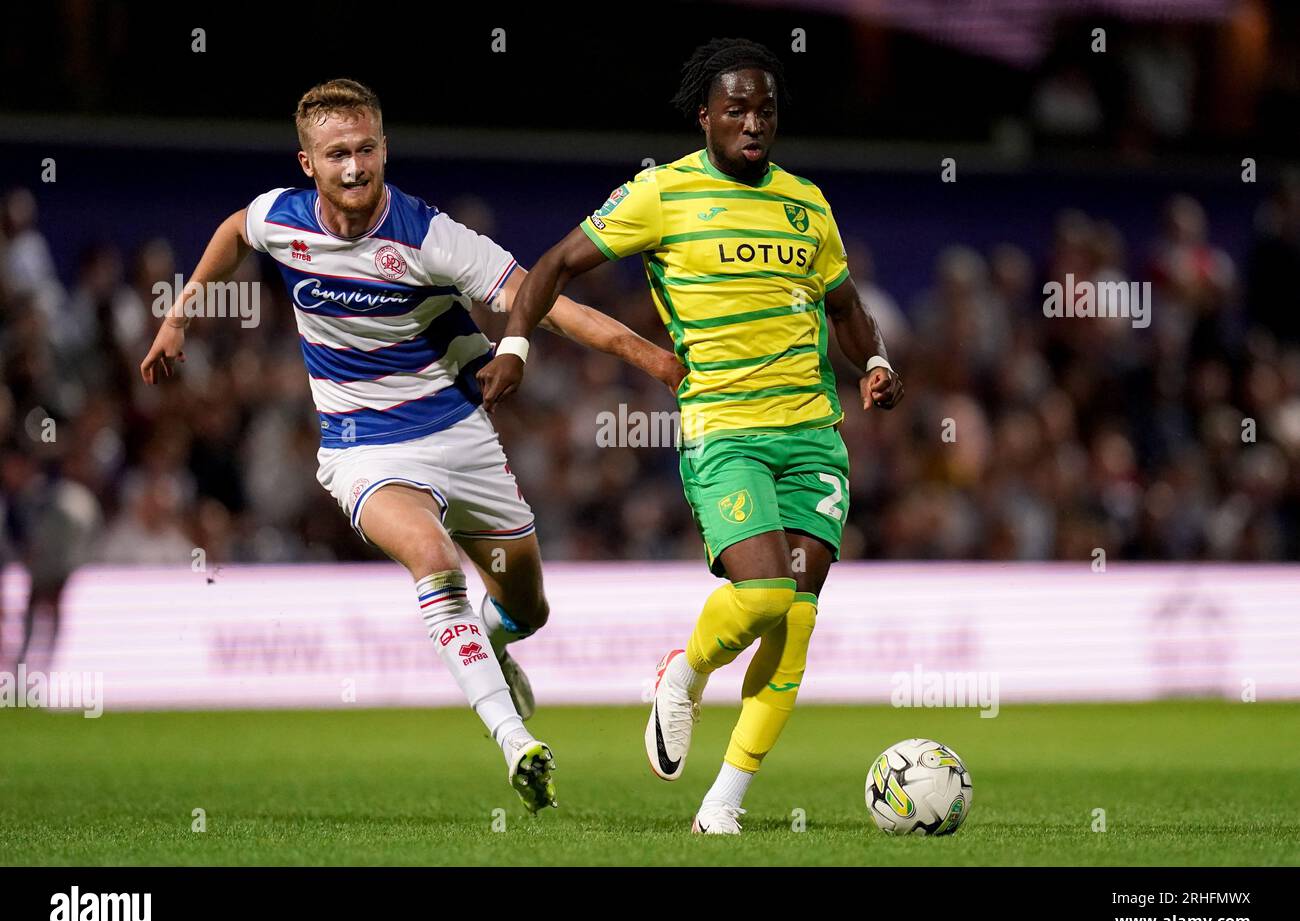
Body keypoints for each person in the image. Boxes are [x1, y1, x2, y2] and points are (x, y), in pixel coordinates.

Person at [140, 78, 683, 814]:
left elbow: (541, 300)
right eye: (337, 155)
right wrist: (179, 317)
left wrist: (653, 361)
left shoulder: (431, 237)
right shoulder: (283, 219)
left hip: (461, 438)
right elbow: (236, 230)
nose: (355, 167)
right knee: (431, 560)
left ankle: (495, 641)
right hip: (363, 449)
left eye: (366, 149)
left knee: (528, 608)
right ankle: (513, 740)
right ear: (309, 164)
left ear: (384, 148)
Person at [478, 39, 904, 833]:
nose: (752, 122)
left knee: (798, 619)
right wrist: (514, 345)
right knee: (766, 594)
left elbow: (844, 307)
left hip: (814, 437)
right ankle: (684, 673)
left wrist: (874, 359)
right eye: (735, 108)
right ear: (704, 115)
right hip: (725, 431)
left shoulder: (807, 203)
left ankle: (724, 804)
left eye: (765, 109)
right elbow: (552, 266)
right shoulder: (662, 193)